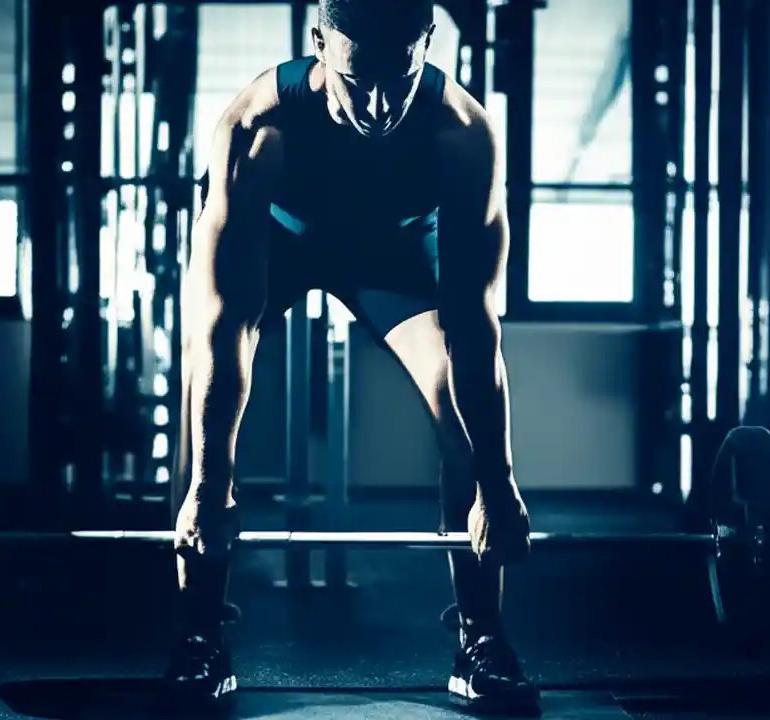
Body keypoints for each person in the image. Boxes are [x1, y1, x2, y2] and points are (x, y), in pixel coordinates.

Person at [167, 0, 537, 714]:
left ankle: (481, 638)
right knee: (200, 413)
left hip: (395, 261)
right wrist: (209, 489)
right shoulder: (257, 129)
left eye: (398, 80)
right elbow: (224, 323)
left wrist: (500, 480)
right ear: (318, 43)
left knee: (461, 417)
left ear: (427, 43)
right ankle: (198, 634)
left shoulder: (462, 136)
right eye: (356, 79)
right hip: (283, 248)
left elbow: (472, 325)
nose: (378, 105)